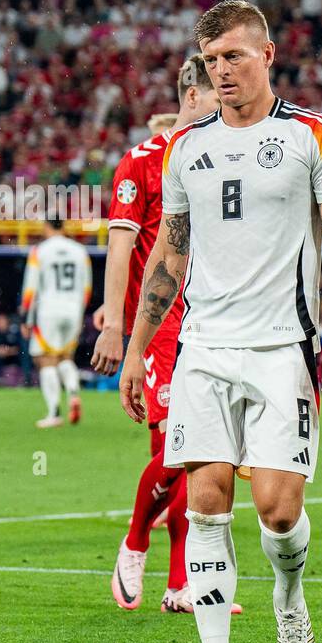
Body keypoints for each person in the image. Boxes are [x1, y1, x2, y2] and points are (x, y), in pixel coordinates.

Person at [119, 0, 322, 643]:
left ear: (267, 55)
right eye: (211, 59)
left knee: (278, 511)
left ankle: (290, 600)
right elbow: (169, 252)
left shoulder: (312, 133)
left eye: (233, 56)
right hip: (203, 349)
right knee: (205, 501)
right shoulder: (187, 147)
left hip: (282, 346)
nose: (220, 70)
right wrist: (137, 350)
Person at [93, 55, 223, 613]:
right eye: (218, 97)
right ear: (192, 96)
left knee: (193, 459)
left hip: (210, 319)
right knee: (179, 447)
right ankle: (135, 541)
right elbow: (121, 247)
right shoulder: (141, 163)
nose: (228, 107)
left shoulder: (217, 155)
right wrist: (115, 324)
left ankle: (179, 585)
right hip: (163, 324)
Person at [20, 219, 92, 427]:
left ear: (47, 227)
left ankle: (54, 412)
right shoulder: (80, 251)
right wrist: (79, 311)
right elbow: (86, 287)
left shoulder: (40, 251)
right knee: (65, 357)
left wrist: (27, 316)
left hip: (48, 310)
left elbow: (30, 288)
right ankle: (73, 392)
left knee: (46, 360)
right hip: (73, 310)